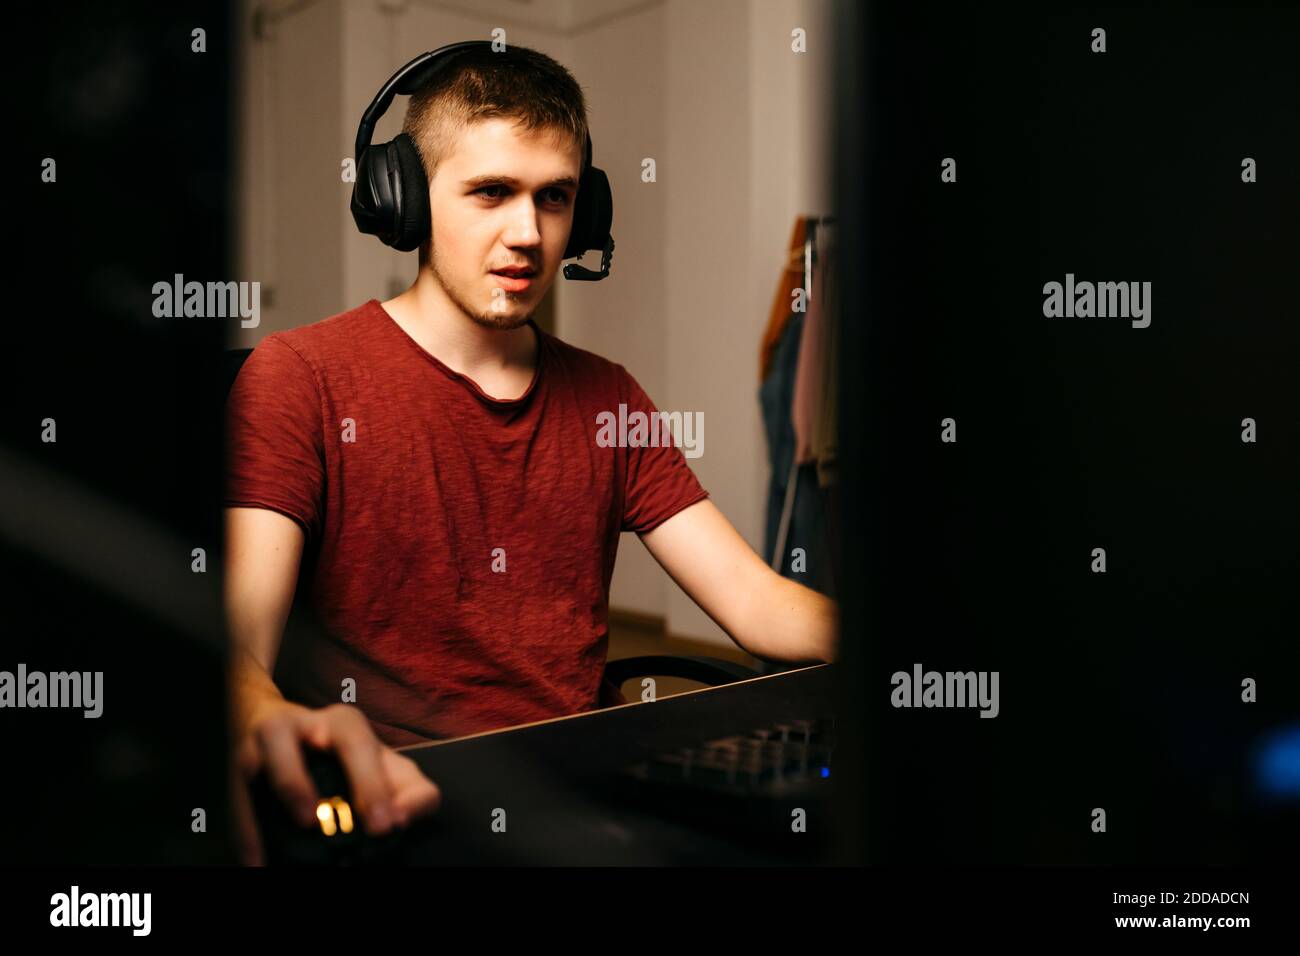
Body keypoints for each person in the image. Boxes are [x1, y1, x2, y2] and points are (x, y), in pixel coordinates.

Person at [224, 43, 837, 865]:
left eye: (556, 199)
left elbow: (756, 603)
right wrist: (265, 717)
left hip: (587, 794)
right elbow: (235, 644)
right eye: (490, 193)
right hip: (402, 802)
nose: (528, 234)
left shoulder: (609, 396)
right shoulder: (299, 379)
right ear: (402, 198)